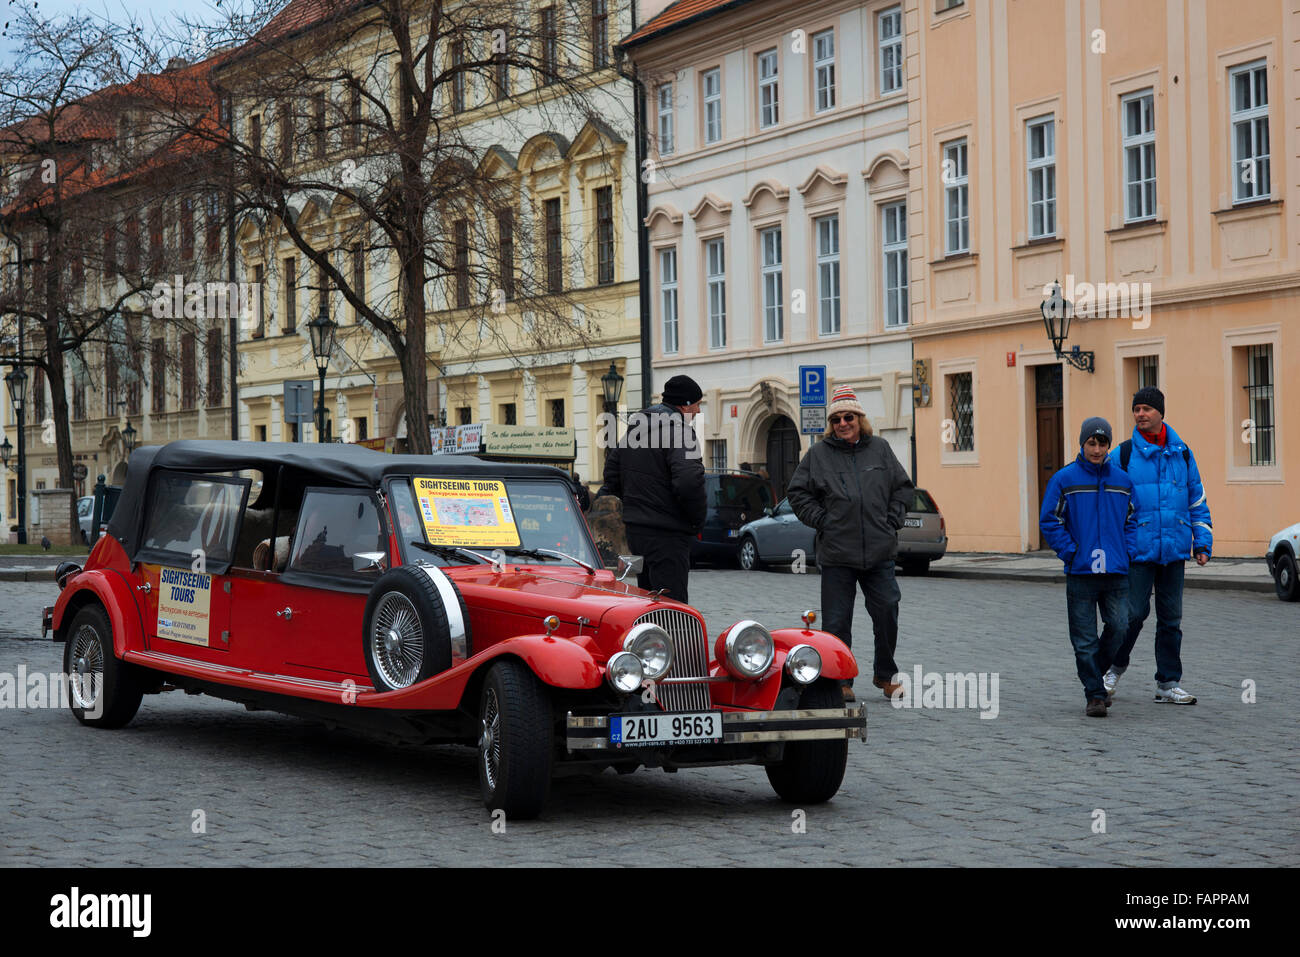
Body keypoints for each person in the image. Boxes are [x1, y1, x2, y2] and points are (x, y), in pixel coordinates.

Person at [787, 386, 913, 702]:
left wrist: (892, 520)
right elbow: (797, 493)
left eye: (849, 417)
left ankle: (885, 675)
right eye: (837, 419)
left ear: (859, 418)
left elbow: (903, 488)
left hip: (879, 550)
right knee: (836, 621)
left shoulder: (880, 449)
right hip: (836, 552)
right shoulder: (818, 454)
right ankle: (840, 680)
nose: (843, 423)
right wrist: (823, 520)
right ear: (831, 423)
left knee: (887, 611)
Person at [1104, 387, 1212, 705]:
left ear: (1160, 413)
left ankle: (1168, 682)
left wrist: (1202, 541)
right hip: (1136, 551)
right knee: (1132, 616)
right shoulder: (1122, 456)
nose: (1140, 414)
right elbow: (1107, 503)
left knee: (1171, 619)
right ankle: (1112, 668)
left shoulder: (1182, 453)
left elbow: (1197, 499)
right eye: (1136, 409)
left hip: (1174, 549)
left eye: (1146, 408)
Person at [1039, 417, 1137, 717]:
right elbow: (1050, 520)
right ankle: (1095, 695)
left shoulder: (1122, 480)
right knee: (1083, 638)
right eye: (1091, 443)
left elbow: (1133, 520)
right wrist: (1071, 552)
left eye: (1102, 443)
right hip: (1081, 572)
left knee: (1120, 626)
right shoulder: (1064, 479)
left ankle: (1093, 673)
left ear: (1109, 445)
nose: (1097, 449)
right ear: (1082, 444)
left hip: (1116, 570)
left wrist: (1127, 551)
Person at [598, 374, 706, 604]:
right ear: (684, 404)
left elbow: (611, 472)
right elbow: (689, 481)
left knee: (648, 601)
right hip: (668, 534)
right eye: (697, 404)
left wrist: (634, 502)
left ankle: (648, 639)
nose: (698, 410)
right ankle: (674, 640)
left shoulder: (636, 429)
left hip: (637, 533)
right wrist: (696, 519)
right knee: (672, 605)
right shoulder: (679, 431)